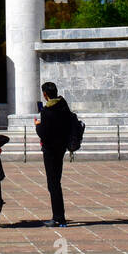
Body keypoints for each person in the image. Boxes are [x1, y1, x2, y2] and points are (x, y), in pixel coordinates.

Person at [34, 81, 74, 228]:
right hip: (61, 147)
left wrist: (38, 126)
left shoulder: (47, 111)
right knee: (56, 181)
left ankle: (58, 217)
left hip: (50, 149)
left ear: (45, 94)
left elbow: (44, 133)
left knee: (53, 183)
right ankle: (59, 216)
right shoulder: (64, 106)